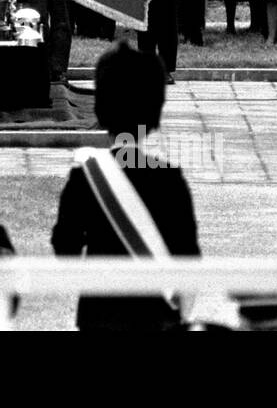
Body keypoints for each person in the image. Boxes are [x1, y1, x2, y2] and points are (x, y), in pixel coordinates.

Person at [51, 41, 200, 331]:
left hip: (99, 314)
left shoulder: (85, 177)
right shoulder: (169, 178)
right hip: (157, 317)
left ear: (102, 107)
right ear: (154, 109)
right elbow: (188, 256)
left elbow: (65, 247)